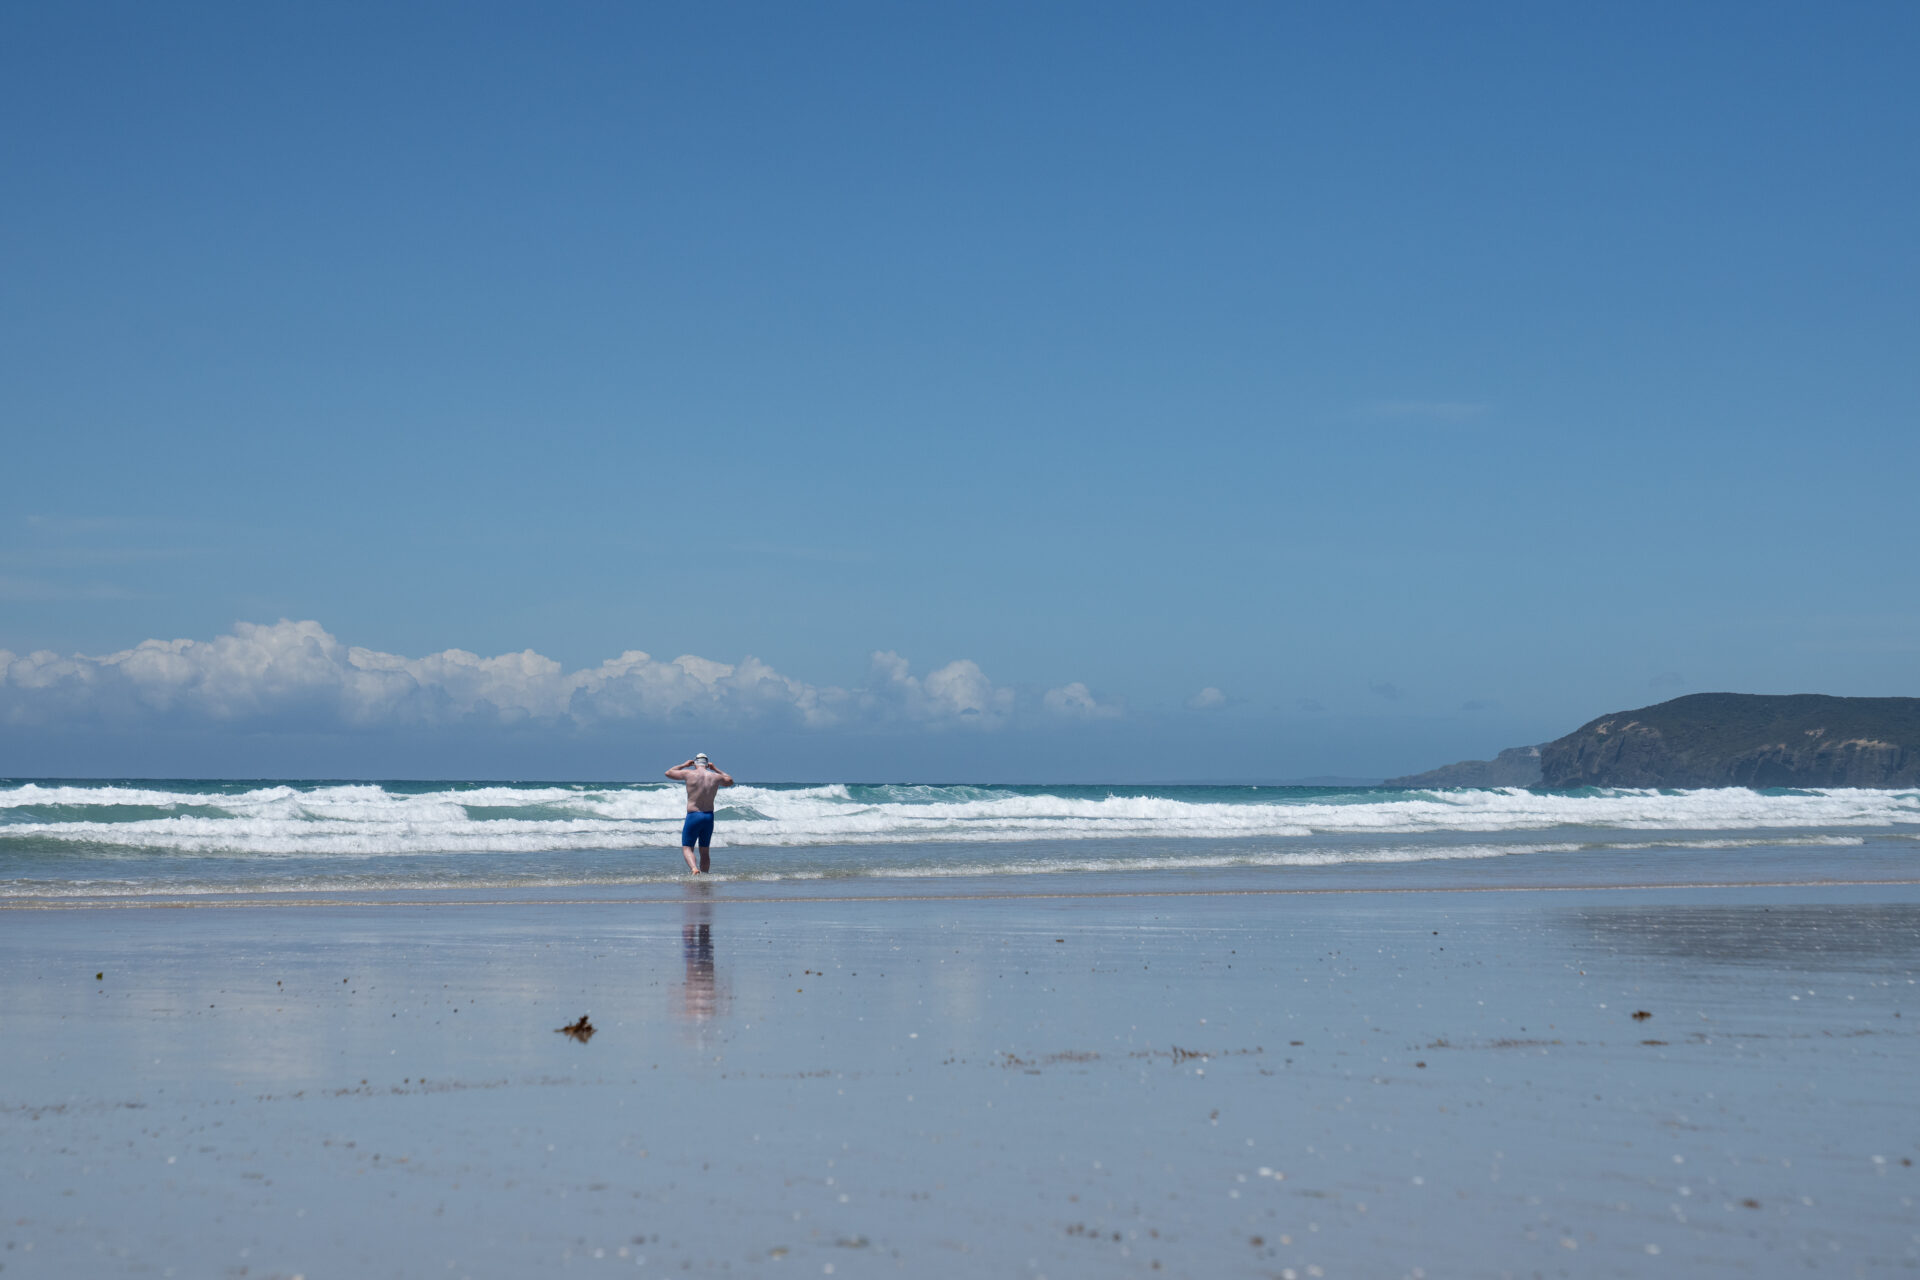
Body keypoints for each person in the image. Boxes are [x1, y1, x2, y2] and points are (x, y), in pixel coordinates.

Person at [664, 753, 735, 875]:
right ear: (707, 764)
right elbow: (730, 781)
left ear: (695, 763)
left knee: (687, 847)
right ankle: (705, 875)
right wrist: (715, 769)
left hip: (693, 815)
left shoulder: (689, 773)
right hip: (708, 816)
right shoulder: (715, 776)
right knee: (705, 850)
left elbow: (668, 773)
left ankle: (694, 868)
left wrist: (684, 765)